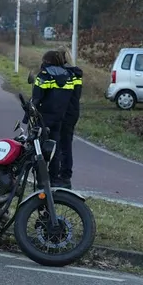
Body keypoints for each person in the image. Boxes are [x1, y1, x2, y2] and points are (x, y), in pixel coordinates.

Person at [29, 50, 74, 185]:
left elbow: (37, 97)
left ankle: (41, 179)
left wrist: (30, 110)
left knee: (39, 148)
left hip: (43, 117)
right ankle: (53, 178)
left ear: (47, 61)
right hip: (59, 117)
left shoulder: (44, 75)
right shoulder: (68, 76)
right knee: (55, 148)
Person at [57, 51, 82, 189]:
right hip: (73, 112)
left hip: (65, 113)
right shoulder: (75, 73)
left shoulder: (65, 74)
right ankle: (64, 175)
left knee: (64, 145)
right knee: (66, 143)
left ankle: (64, 175)